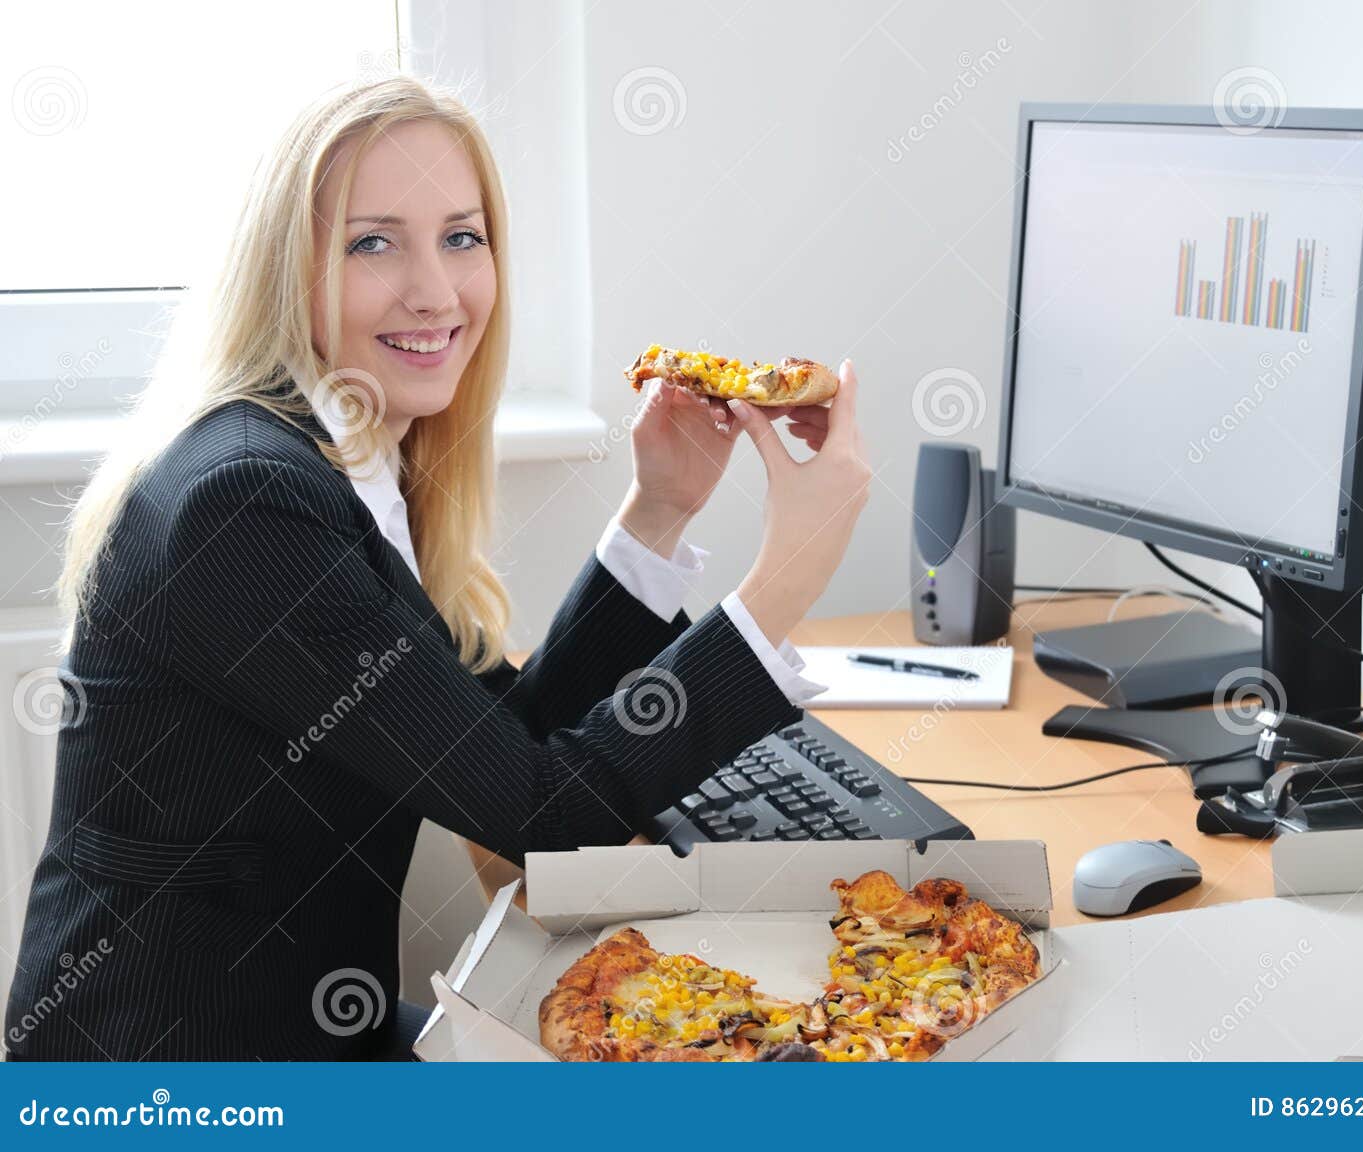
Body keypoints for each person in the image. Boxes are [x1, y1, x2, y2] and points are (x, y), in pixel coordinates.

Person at [4, 77, 869, 1061]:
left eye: (461, 236)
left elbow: (502, 749)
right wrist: (789, 575)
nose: (435, 290)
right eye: (372, 242)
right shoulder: (243, 505)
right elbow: (542, 821)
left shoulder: (347, 454)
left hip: (306, 1038)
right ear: (288, 271)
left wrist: (659, 512)